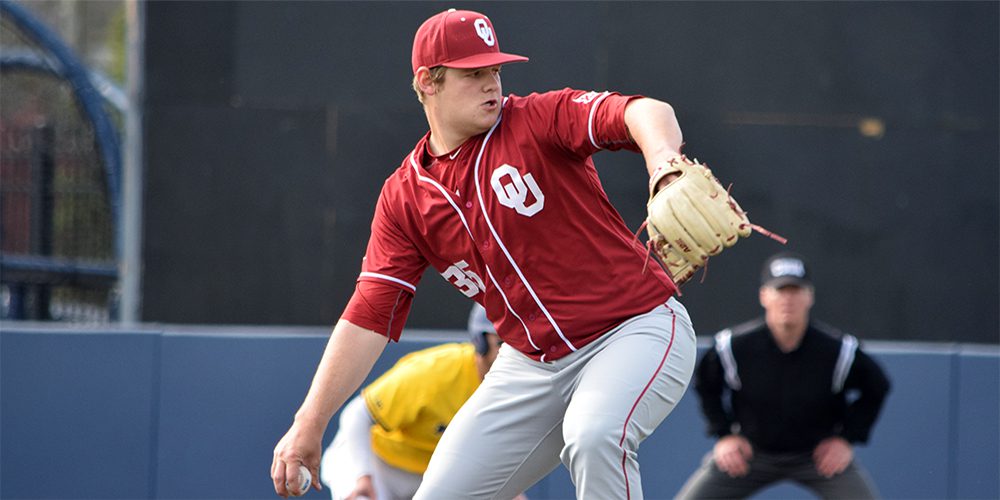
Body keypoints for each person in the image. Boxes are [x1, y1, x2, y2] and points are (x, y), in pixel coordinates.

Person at [272, 8, 702, 499]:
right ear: (427, 82)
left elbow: (644, 111)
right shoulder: (406, 196)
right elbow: (369, 313)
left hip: (635, 328)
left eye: (495, 70)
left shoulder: (536, 120)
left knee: (595, 435)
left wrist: (666, 164)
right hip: (532, 363)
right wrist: (310, 420)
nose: (491, 84)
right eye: (473, 73)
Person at [676, 252, 891, 499]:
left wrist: (846, 439)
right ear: (764, 296)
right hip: (751, 453)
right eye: (780, 290)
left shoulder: (839, 350)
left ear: (809, 296)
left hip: (816, 457)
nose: (788, 299)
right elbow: (706, 384)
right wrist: (724, 435)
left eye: (796, 291)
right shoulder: (733, 346)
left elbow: (877, 387)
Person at [319, 304, 522, 500]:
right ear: (481, 342)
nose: (512, 353)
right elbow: (358, 414)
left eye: (519, 345)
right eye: (503, 343)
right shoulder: (438, 370)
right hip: (374, 460)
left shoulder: (517, 389)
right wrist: (361, 475)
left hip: (430, 475)